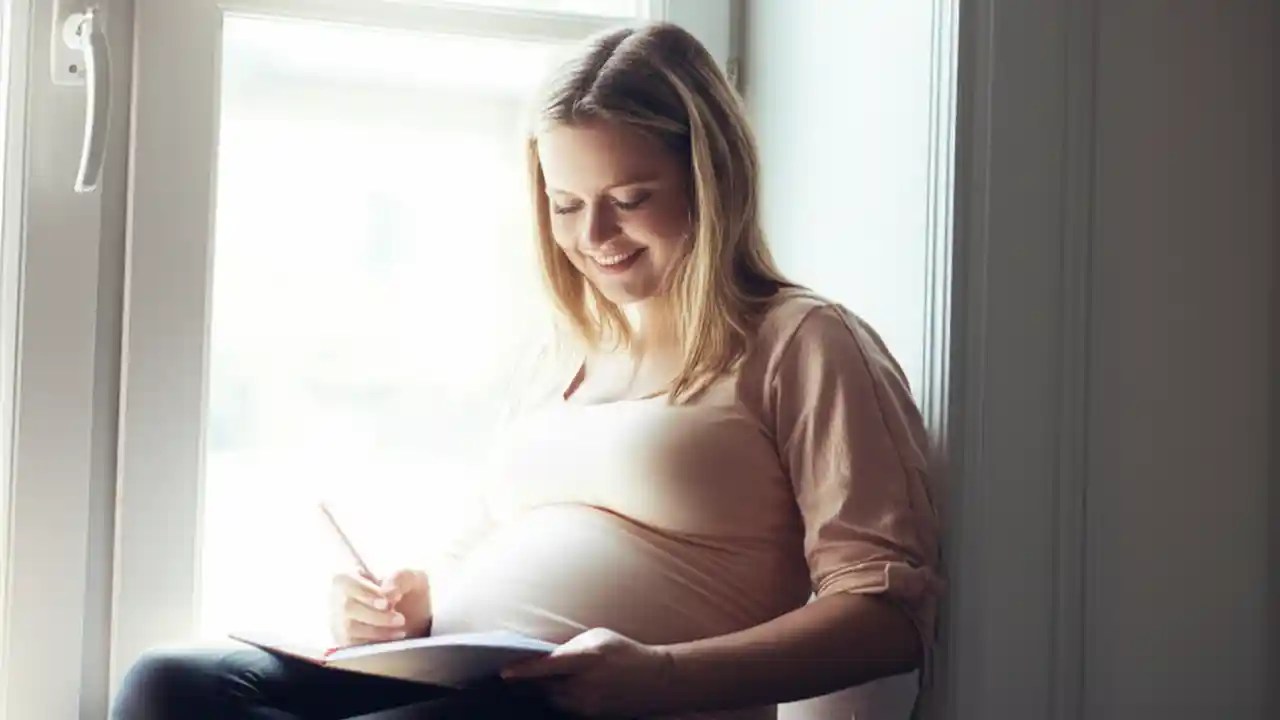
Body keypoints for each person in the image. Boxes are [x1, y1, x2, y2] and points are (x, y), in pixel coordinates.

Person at [111, 21, 942, 720]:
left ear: (709, 178)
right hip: (480, 686)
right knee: (173, 687)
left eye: (632, 196)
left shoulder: (802, 341)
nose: (596, 235)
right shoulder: (561, 356)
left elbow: (885, 617)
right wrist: (414, 606)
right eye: (568, 204)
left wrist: (662, 674)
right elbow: (495, 555)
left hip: (607, 702)